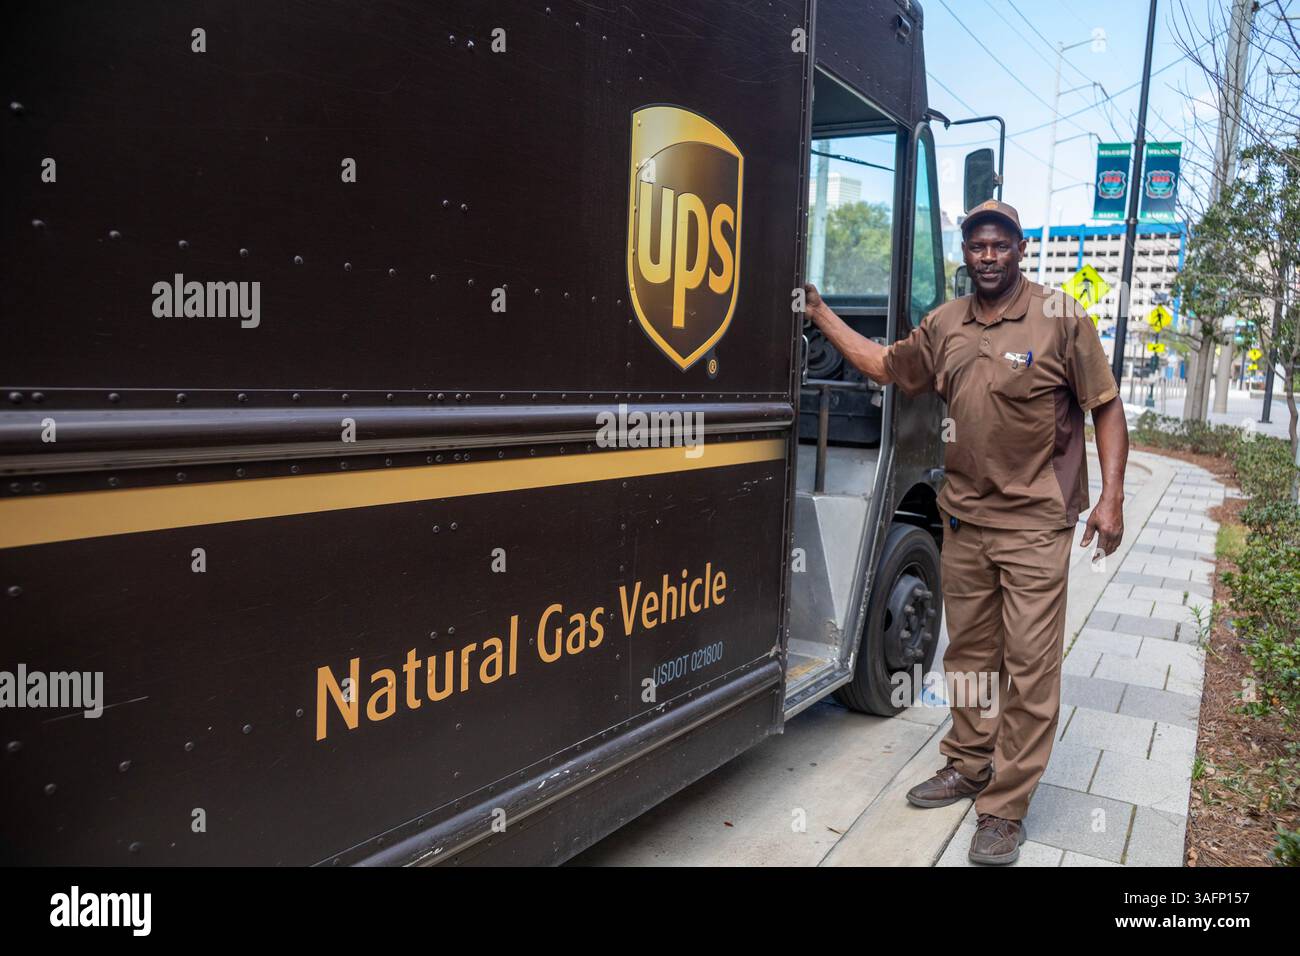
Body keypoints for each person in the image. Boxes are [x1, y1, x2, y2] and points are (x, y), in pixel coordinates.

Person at [803, 199, 1129, 865]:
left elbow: (1106, 405)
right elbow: (884, 364)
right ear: (966, 251)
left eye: (1000, 244)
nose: (987, 255)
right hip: (966, 522)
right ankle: (969, 763)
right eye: (977, 245)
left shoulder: (1061, 316)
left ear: (1020, 250)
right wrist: (820, 314)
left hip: (1038, 526)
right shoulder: (945, 323)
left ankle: (1005, 807)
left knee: (1030, 670)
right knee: (970, 661)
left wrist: (1113, 497)